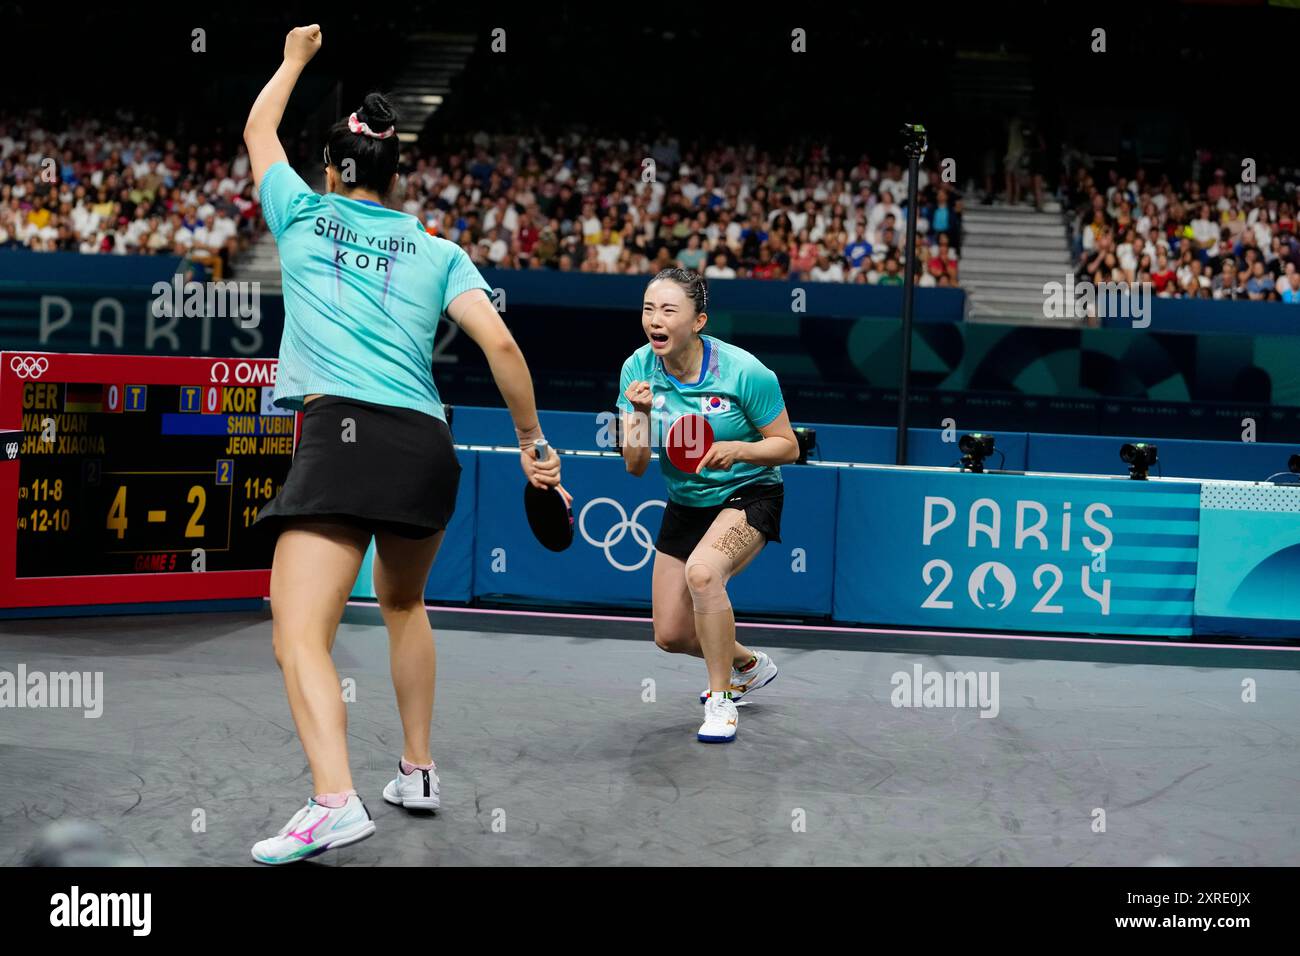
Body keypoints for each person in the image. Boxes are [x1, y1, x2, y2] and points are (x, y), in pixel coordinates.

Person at [242, 24, 566, 864]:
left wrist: (294, 61)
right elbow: (500, 348)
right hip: (427, 443)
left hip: (342, 434)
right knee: (403, 604)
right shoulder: (439, 250)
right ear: (397, 175)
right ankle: (417, 771)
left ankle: (334, 801)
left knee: (298, 630)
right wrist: (533, 442)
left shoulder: (302, 213)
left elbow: (255, 130)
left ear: (329, 170)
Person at [618, 268, 799, 743]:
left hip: (750, 492)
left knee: (703, 573)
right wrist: (638, 415)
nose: (654, 319)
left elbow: (787, 446)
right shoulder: (637, 369)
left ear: (698, 320)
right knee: (671, 635)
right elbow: (635, 466)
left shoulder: (744, 372)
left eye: (668, 310)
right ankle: (746, 664)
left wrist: (739, 449)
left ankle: (720, 701)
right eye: (648, 308)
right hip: (686, 502)